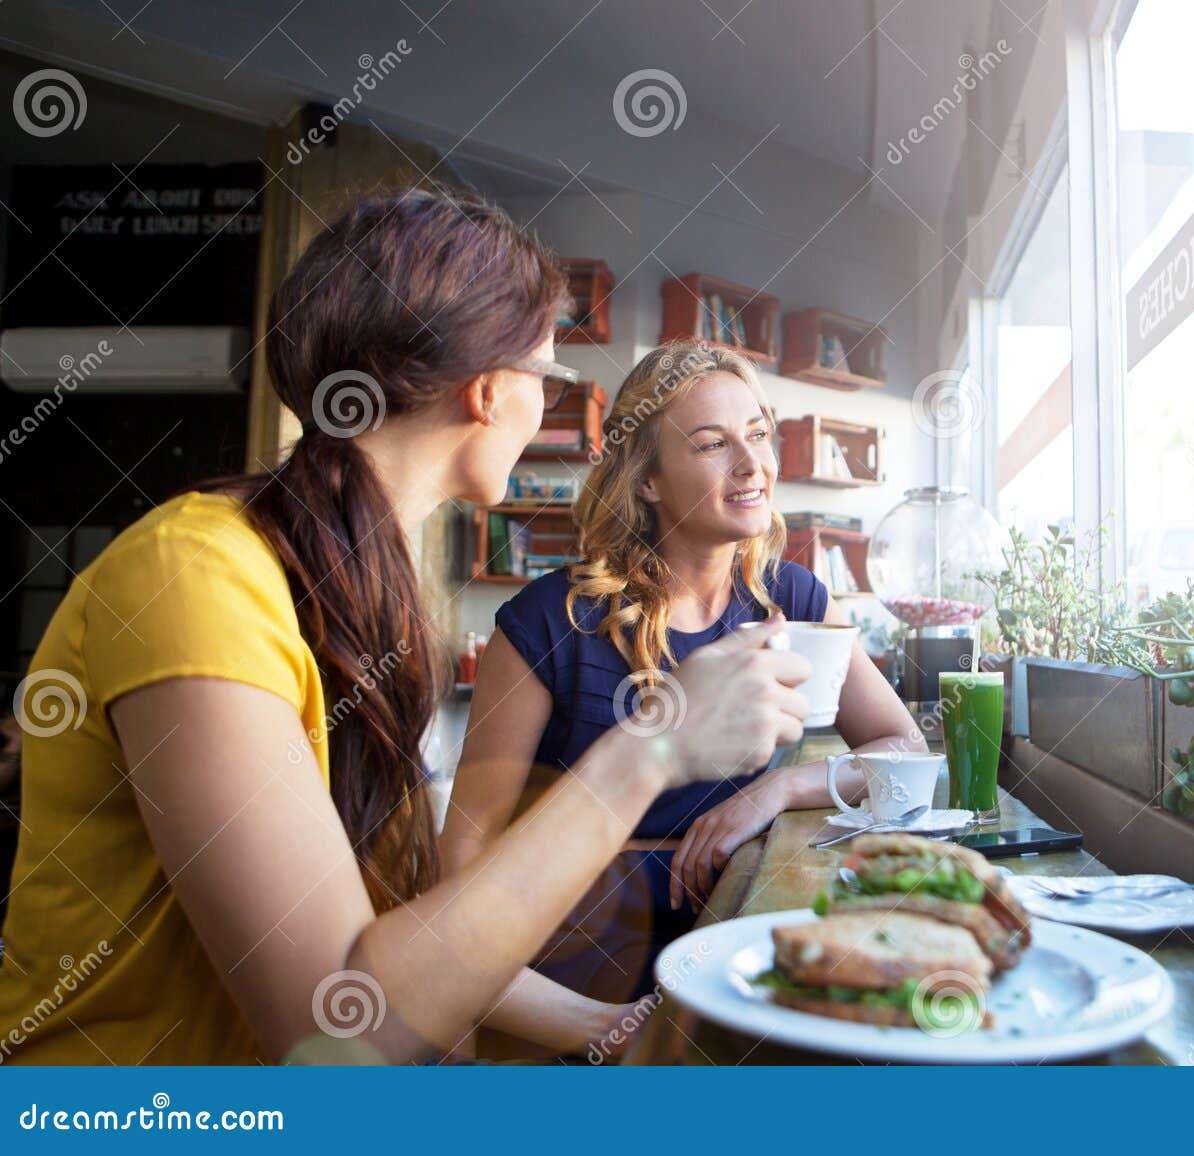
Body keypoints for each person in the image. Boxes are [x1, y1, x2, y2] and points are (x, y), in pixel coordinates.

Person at [0, 189, 811, 1065]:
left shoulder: (349, 589)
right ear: (490, 391)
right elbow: (336, 1025)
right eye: (548, 374)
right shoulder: (197, 576)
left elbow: (402, 933)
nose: (546, 401)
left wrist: (610, 1033)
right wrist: (657, 744)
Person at [440, 341, 922, 1010]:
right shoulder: (543, 626)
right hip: (576, 966)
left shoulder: (799, 600)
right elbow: (459, 878)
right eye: (711, 444)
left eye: (758, 434)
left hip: (736, 939)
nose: (753, 465)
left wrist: (776, 789)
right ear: (648, 479)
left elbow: (905, 753)